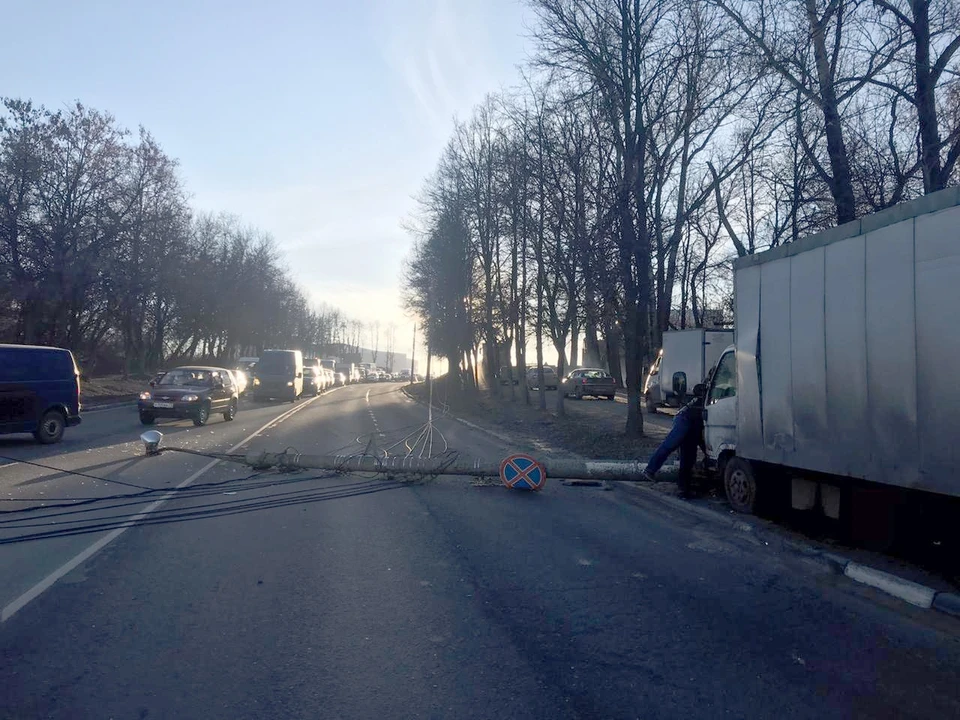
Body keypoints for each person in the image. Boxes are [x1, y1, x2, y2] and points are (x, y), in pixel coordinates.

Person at [641, 368, 713, 498]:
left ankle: (683, 489)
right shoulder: (709, 389)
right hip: (686, 419)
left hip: (695, 422)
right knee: (672, 444)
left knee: (688, 457)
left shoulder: (709, 388)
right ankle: (650, 470)